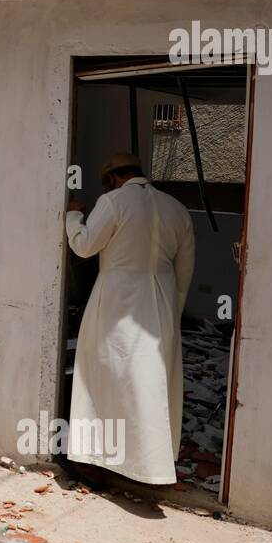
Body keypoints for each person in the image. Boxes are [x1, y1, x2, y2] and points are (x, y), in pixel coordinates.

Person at [64, 152, 195, 485]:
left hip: (116, 299)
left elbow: (84, 246)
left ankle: (94, 461)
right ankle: (146, 464)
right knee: (150, 384)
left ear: (112, 178)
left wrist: (73, 216)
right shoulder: (176, 209)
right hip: (161, 302)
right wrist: (172, 312)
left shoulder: (113, 202)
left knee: (102, 377)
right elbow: (184, 273)